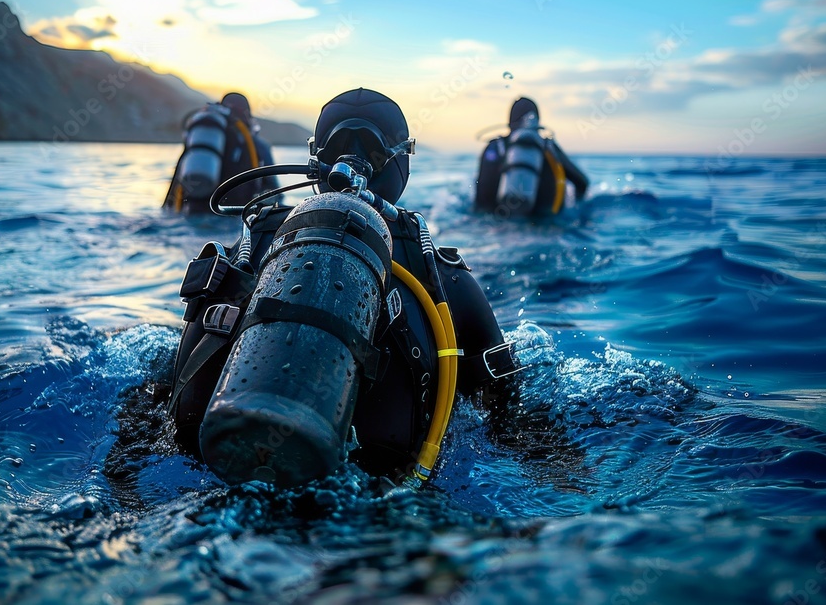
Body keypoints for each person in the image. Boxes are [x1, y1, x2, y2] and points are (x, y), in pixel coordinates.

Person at [167, 88, 521, 488]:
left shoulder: (254, 247)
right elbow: (511, 417)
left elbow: (174, 394)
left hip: (224, 478)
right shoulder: (444, 280)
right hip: (382, 504)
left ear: (315, 160)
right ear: (402, 160)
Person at [164, 92, 278, 213]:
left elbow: (175, 189)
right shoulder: (258, 145)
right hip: (232, 217)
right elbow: (274, 193)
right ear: (247, 113)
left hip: (192, 212)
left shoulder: (202, 140)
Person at [475, 97, 589, 217]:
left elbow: (481, 191)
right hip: (543, 225)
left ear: (510, 122)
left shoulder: (494, 147)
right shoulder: (549, 148)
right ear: (537, 121)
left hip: (494, 224)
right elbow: (582, 183)